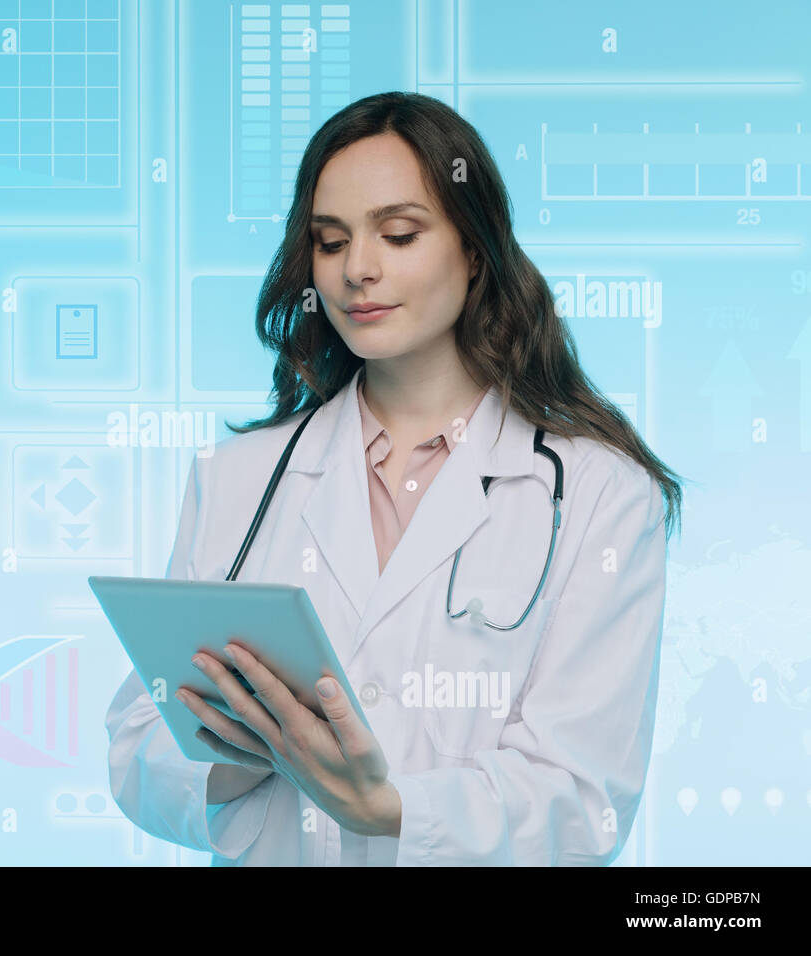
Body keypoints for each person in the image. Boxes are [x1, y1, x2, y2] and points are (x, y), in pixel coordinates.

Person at [104, 92, 684, 867]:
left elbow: (584, 801)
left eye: (400, 233)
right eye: (331, 242)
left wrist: (388, 808)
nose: (359, 271)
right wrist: (246, 753)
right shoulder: (240, 478)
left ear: (475, 250)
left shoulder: (600, 493)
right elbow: (140, 741)